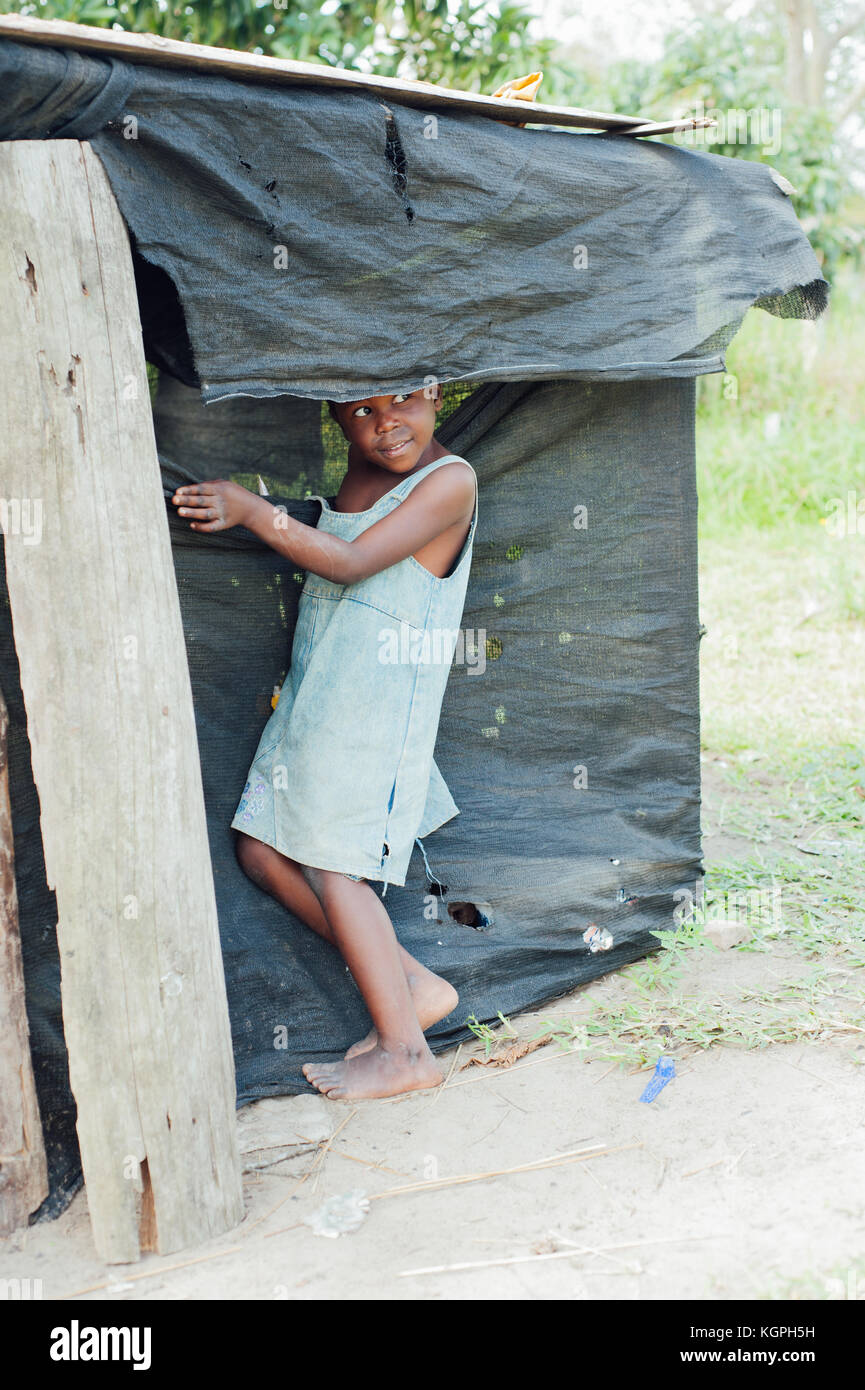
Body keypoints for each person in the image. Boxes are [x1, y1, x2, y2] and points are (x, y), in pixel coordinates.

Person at [171, 384, 478, 1100]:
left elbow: (347, 563)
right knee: (261, 849)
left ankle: (406, 1054)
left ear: (433, 392)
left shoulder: (449, 481)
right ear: (338, 418)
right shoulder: (367, 472)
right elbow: (335, 534)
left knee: (338, 867)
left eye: (402, 399)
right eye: (361, 411)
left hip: (375, 704)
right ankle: (408, 983)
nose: (385, 422)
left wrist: (254, 511)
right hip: (318, 692)